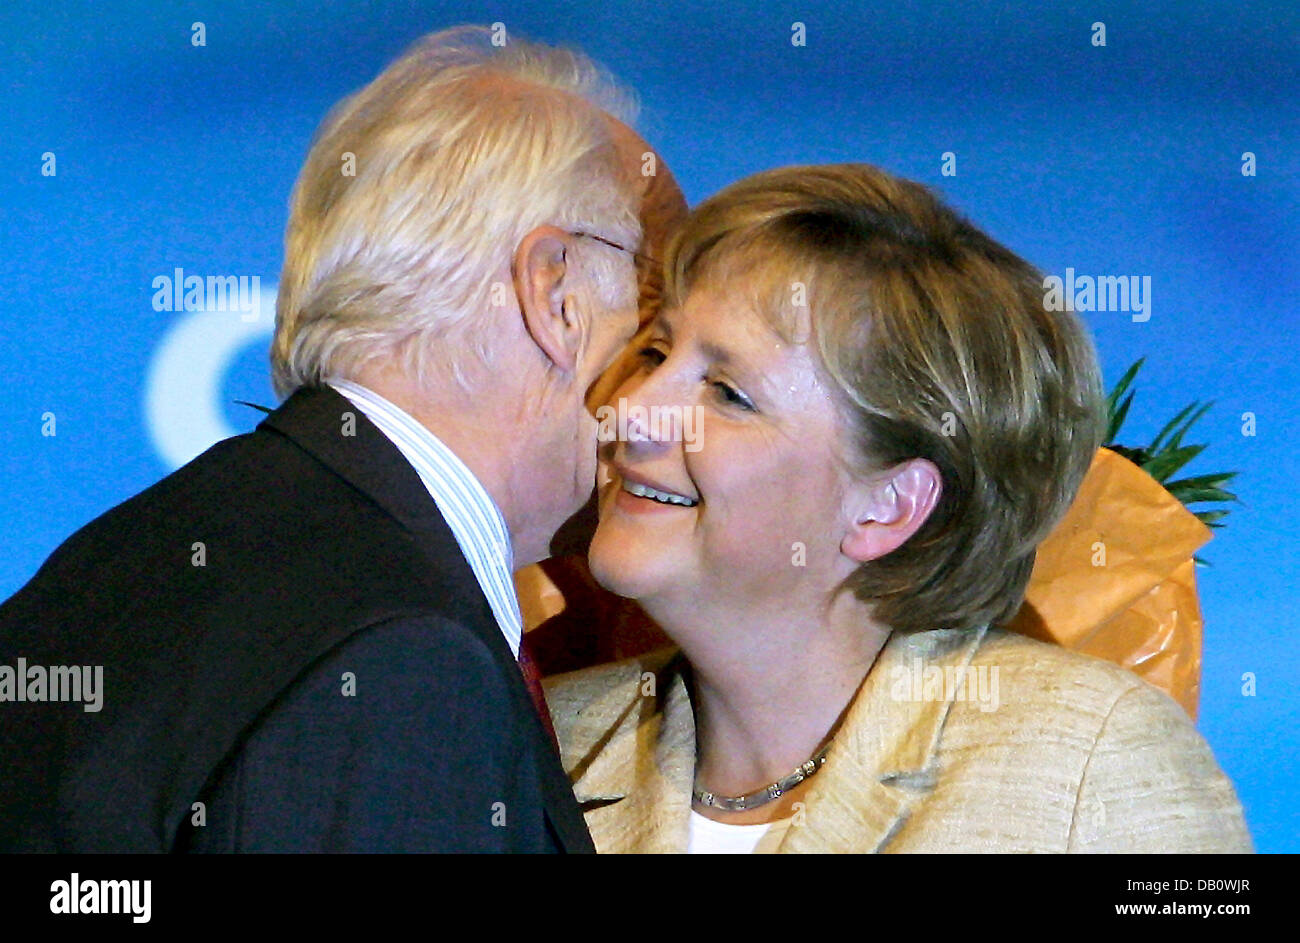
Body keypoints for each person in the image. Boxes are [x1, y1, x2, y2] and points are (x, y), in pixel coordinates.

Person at [0, 25, 681, 853]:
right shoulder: (404, 661)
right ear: (555, 294)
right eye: (658, 303)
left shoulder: (115, 561)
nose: (668, 379)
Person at [543, 163, 1254, 853]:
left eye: (727, 392)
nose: (631, 410)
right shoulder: (542, 741)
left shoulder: (1092, 761)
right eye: (655, 353)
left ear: (887, 505)